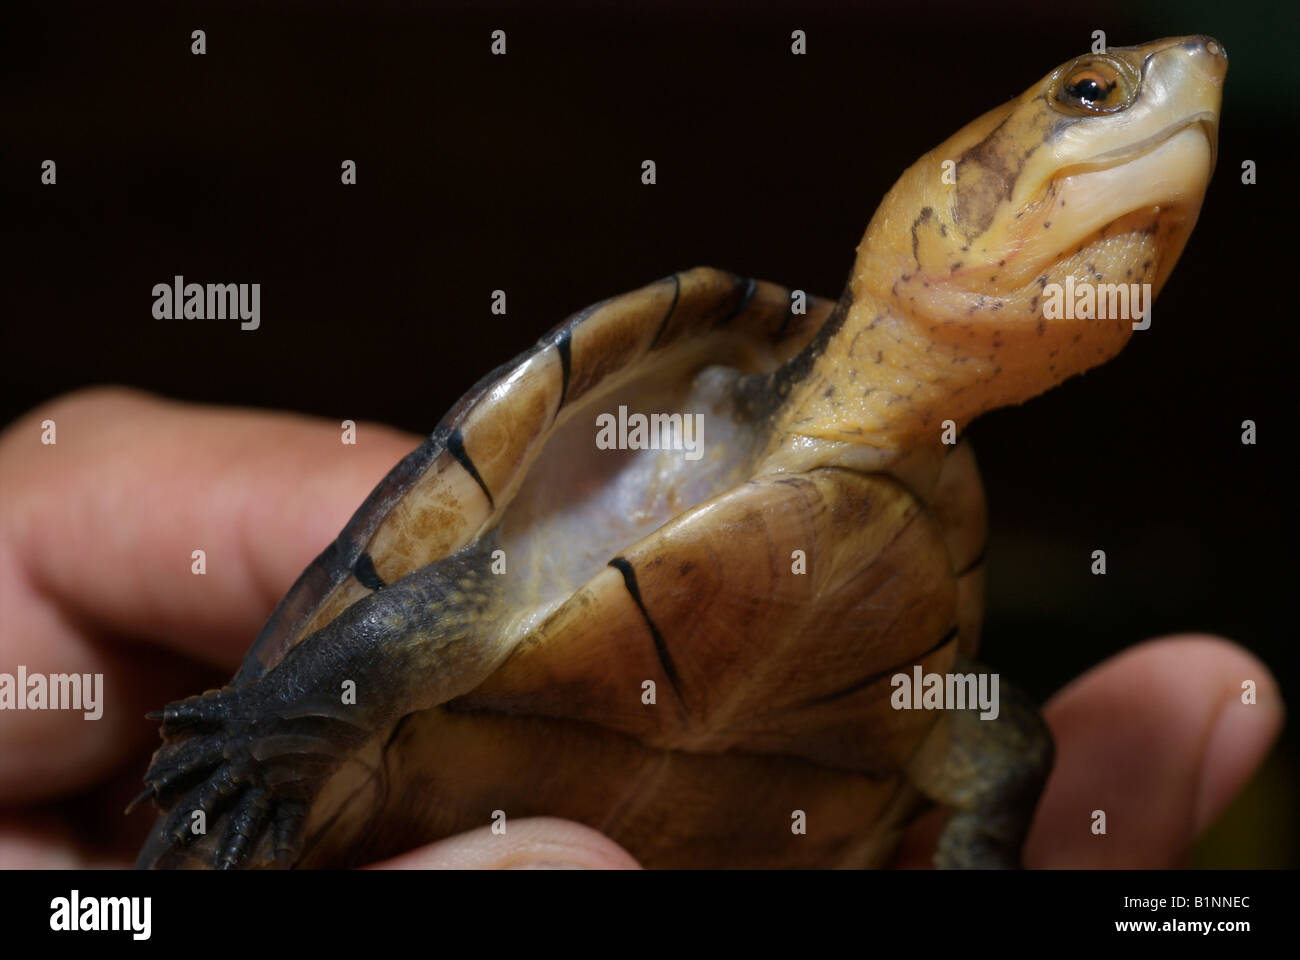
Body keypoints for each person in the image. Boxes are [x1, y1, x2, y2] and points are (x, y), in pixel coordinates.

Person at [0, 388, 1283, 868]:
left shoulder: (919, 507)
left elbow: (990, 756)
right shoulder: (660, 435)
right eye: (1091, 100)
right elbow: (432, 617)